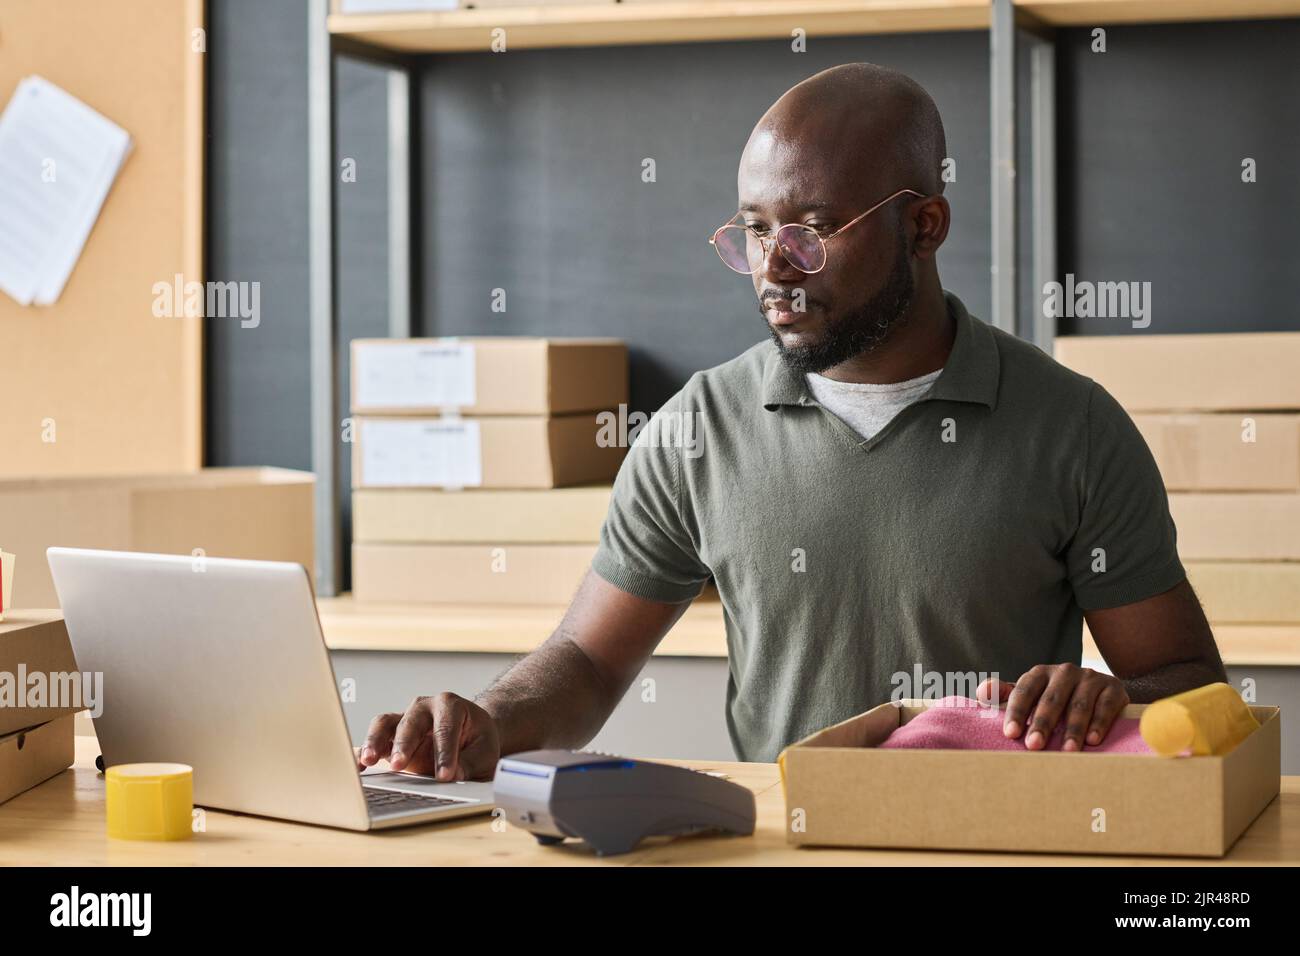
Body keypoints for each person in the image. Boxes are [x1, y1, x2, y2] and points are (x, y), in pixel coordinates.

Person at [360, 63, 1227, 780]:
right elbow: (587, 666)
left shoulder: (1072, 426)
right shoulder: (698, 427)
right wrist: (491, 719)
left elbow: (1190, 685)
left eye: (813, 230)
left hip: (994, 843)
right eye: (754, 230)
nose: (775, 268)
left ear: (923, 225)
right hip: (786, 849)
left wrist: (1106, 695)